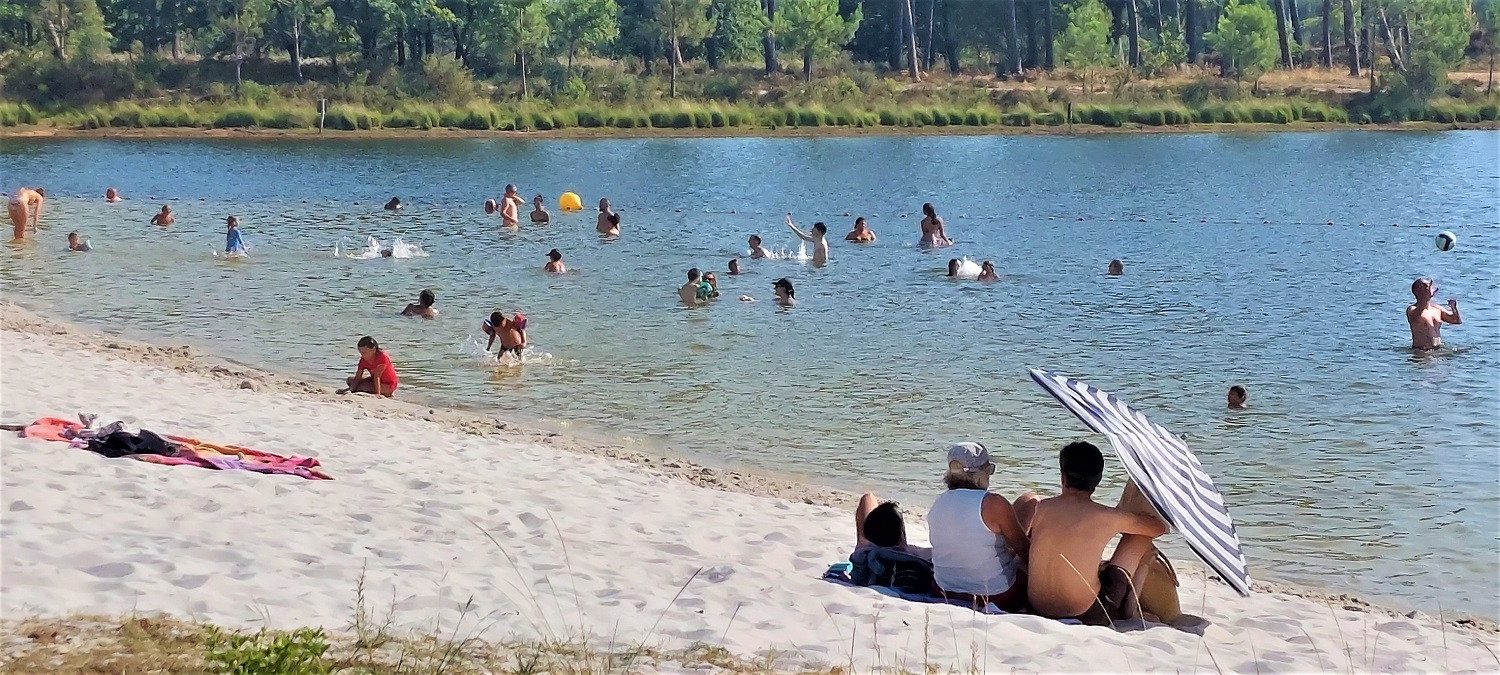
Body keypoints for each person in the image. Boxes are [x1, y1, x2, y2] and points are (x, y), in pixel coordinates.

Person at [1021, 441, 1169, 626]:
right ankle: (1129, 607)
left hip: (1035, 608)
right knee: (1140, 537)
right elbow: (1158, 528)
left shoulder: (1041, 508)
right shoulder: (1107, 516)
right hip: (1086, 614)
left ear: (1063, 477)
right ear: (1098, 481)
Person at [926, 442, 1031, 611]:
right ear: (979, 474)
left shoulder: (938, 503)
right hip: (993, 595)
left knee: (1024, 504)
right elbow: (1025, 550)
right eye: (989, 469)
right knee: (1031, 505)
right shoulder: (993, 503)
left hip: (943, 591)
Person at [1406, 278, 1461, 350]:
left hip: (1438, 350)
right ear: (1417, 291)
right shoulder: (1412, 310)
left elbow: (1456, 321)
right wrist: (1427, 297)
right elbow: (1418, 312)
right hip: (1421, 351)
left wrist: (1454, 308)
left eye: (1429, 286)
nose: (1429, 289)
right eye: (1425, 286)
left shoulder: (1437, 309)